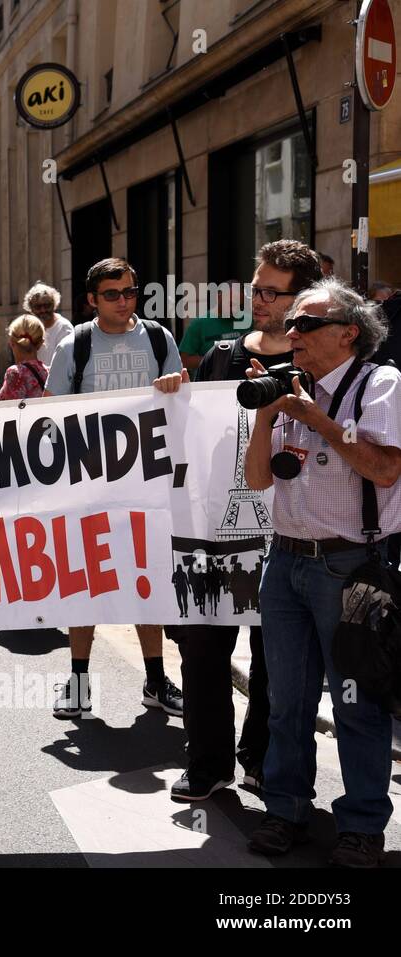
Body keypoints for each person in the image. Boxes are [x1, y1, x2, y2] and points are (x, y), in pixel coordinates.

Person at [243, 278, 400, 867]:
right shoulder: (293, 387)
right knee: (287, 700)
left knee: (358, 703)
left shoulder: (379, 384)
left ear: (347, 332)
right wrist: (268, 412)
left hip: (349, 567)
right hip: (284, 562)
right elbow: (260, 479)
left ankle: (361, 825)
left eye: (304, 324)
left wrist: (322, 419)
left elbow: (384, 470)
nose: (292, 335)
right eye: (290, 325)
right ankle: (285, 810)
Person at [167, 239, 322, 802]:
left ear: (301, 297)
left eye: (270, 291)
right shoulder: (225, 354)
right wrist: (173, 395)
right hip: (220, 534)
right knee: (203, 648)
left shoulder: (319, 363)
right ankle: (207, 764)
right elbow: (197, 430)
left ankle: (259, 756)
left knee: (274, 659)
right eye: (255, 288)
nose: (258, 299)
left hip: (291, 533)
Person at [44, 257, 187, 720]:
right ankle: (79, 680)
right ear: (92, 300)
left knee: (146, 580)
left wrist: (175, 386)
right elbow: (51, 417)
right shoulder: (75, 345)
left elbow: (183, 402)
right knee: (88, 581)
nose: (124, 301)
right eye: (112, 294)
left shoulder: (160, 338)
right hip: (89, 487)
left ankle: (155, 679)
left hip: (147, 484)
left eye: (130, 291)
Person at [178, 279, 246, 372]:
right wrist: (214, 361)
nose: (234, 309)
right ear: (219, 297)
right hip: (209, 382)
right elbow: (184, 360)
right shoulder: (200, 324)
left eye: (238, 305)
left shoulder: (247, 321)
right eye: (231, 304)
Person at [0, 314, 48, 401]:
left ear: (11, 342)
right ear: (40, 344)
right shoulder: (48, 372)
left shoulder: (15, 373)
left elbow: (8, 408)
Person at [23, 282, 73, 368]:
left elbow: (66, 363)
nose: (43, 310)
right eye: (38, 307)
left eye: (47, 305)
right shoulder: (30, 327)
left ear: (54, 304)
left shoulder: (64, 328)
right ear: (31, 309)